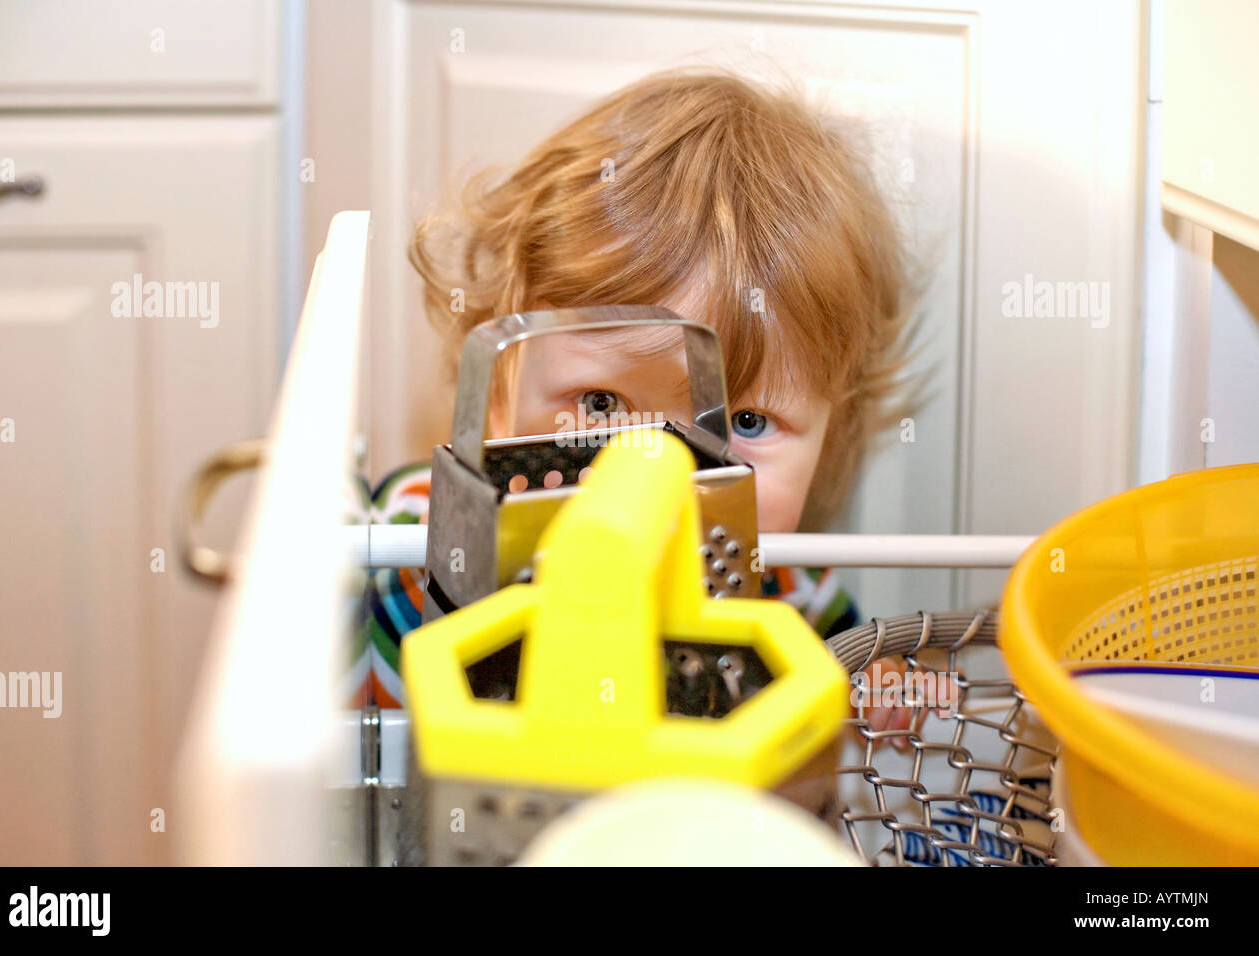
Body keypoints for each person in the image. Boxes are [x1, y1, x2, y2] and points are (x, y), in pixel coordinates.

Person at [345, 66, 925, 717]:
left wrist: (888, 688)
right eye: (599, 405)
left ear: (830, 437)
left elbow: (867, 670)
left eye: (747, 421)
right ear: (498, 396)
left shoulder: (790, 594)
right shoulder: (407, 542)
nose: (668, 478)